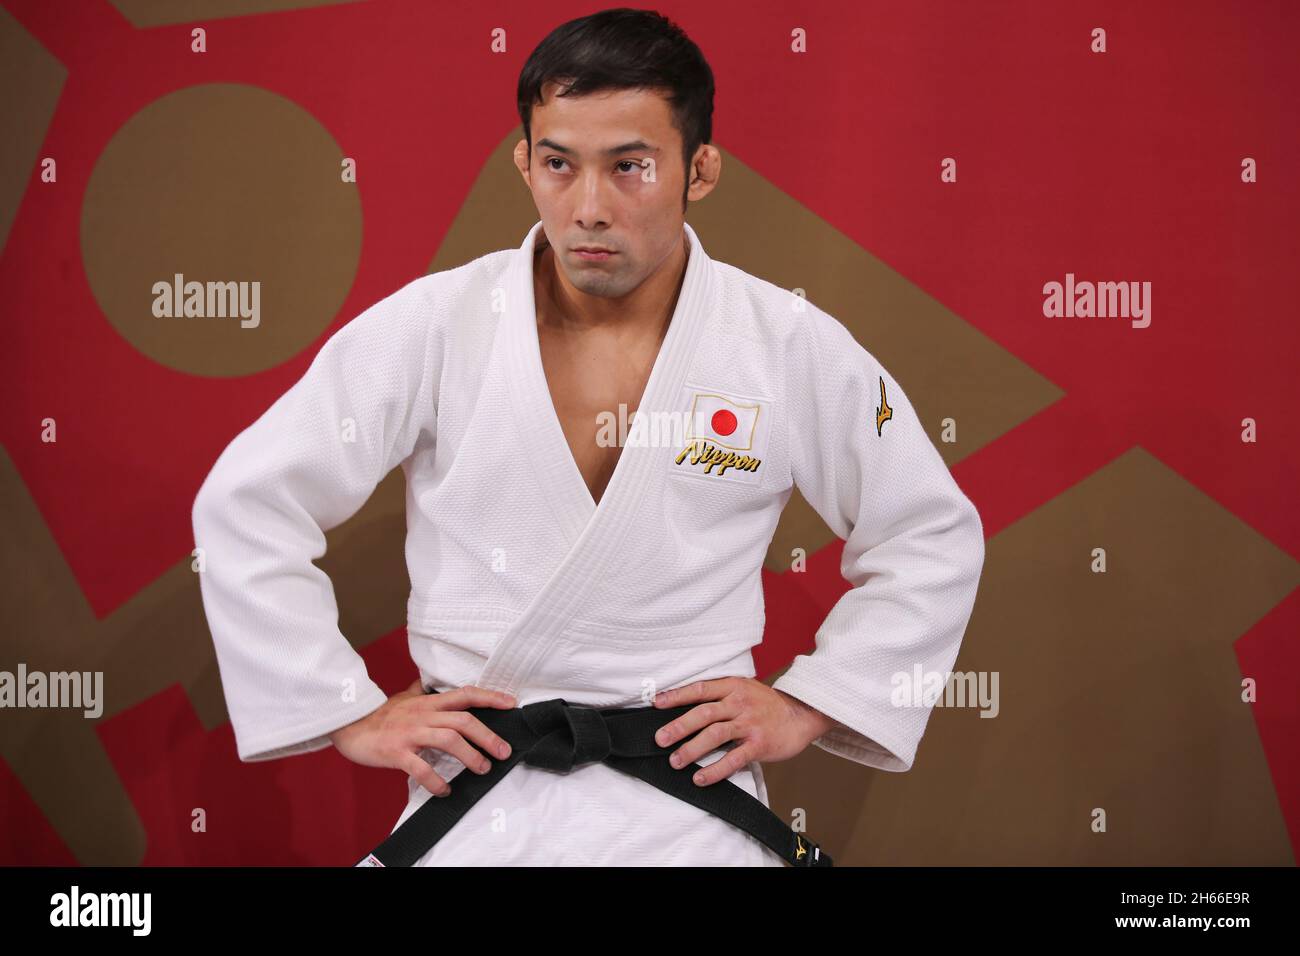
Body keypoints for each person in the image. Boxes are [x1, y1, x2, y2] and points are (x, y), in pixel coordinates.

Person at [191, 8, 985, 867]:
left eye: (631, 167)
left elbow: (928, 532)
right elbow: (249, 505)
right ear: (524, 162)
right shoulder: (436, 326)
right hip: (477, 804)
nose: (590, 208)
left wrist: (813, 700)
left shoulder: (786, 343)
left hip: (693, 815)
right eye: (559, 165)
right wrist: (343, 709)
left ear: (701, 170)